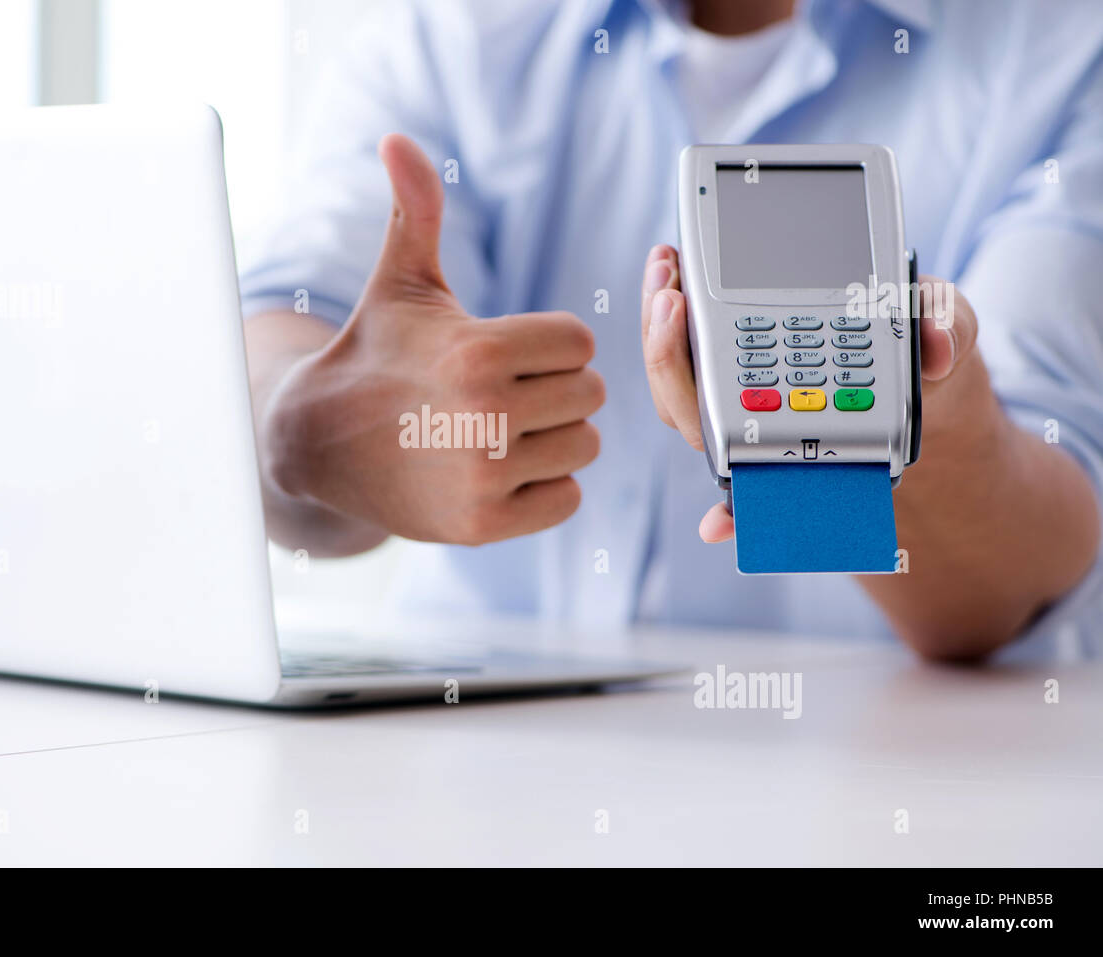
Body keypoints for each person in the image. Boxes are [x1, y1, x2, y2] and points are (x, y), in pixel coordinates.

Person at [239, 0, 1103, 660]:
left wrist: (896, 445)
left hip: (877, 791)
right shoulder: (456, 27)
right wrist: (301, 430)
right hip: (483, 778)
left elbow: (1009, 588)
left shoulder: (1064, 48)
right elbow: (280, 325)